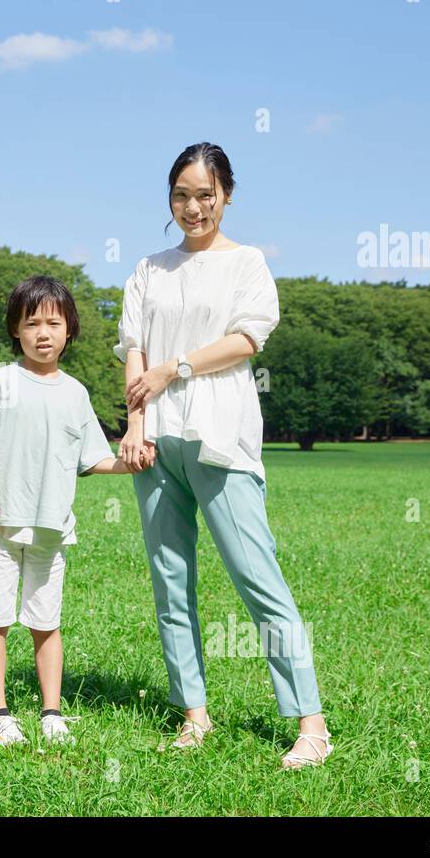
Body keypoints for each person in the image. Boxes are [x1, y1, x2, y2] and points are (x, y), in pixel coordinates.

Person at [115, 141, 332, 769]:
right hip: (157, 442)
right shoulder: (149, 269)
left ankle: (310, 724)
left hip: (221, 437)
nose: (193, 207)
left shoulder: (248, 263)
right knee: (170, 582)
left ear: (226, 196)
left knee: (257, 579)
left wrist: (171, 370)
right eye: (181, 195)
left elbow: (245, 340)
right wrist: (134, 423)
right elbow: (133, 349)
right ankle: (194, 714)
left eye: (205, 195)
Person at [0, 276, 134, 746]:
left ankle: (51, 711)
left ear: (69, 331)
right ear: (15, 331)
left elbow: (94, 458)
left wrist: (133, 460)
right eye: (31, 322)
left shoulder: (76, 393)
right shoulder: (1, 382)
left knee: (46, 621)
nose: (43, 332)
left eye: (53, 323)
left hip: (52, 528)